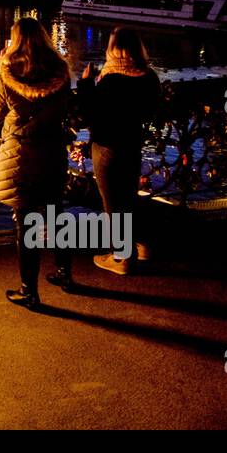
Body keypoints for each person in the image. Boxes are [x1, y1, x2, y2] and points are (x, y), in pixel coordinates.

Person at [0, 16, 73, 309]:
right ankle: (65, 273)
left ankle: (29, 291)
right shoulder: (60, 70)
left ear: (15, 40)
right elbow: (66, 107)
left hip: (19, 156)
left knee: (26, 223)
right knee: (55, 213)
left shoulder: (8, 71)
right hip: (52, 151)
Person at [78, 26, 161, 275]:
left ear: (113, 49)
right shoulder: (148, 76)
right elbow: (151, 111)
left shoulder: (111, 80)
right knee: (128, 196)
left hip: (107, 146)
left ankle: (121, 257)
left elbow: (90, 115)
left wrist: (85, 84)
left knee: (112, 202)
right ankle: (138, 244)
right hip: (132, 143)